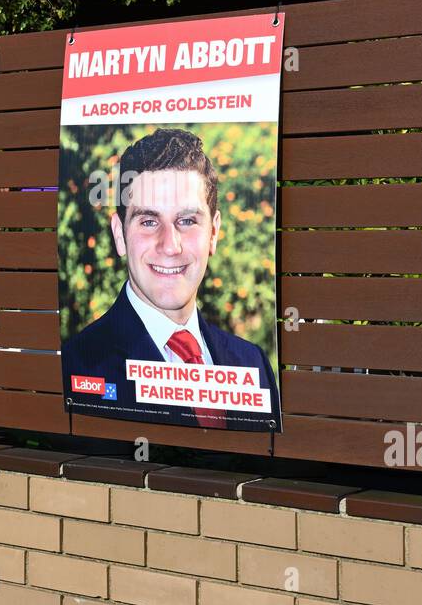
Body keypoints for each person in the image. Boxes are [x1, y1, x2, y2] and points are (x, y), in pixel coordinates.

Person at [61, 128, 278, 431]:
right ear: (119, 235)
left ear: (213, 233)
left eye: (187, 221)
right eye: (149, 221)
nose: (170, 245)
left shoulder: (252, 363)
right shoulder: (78, 364)